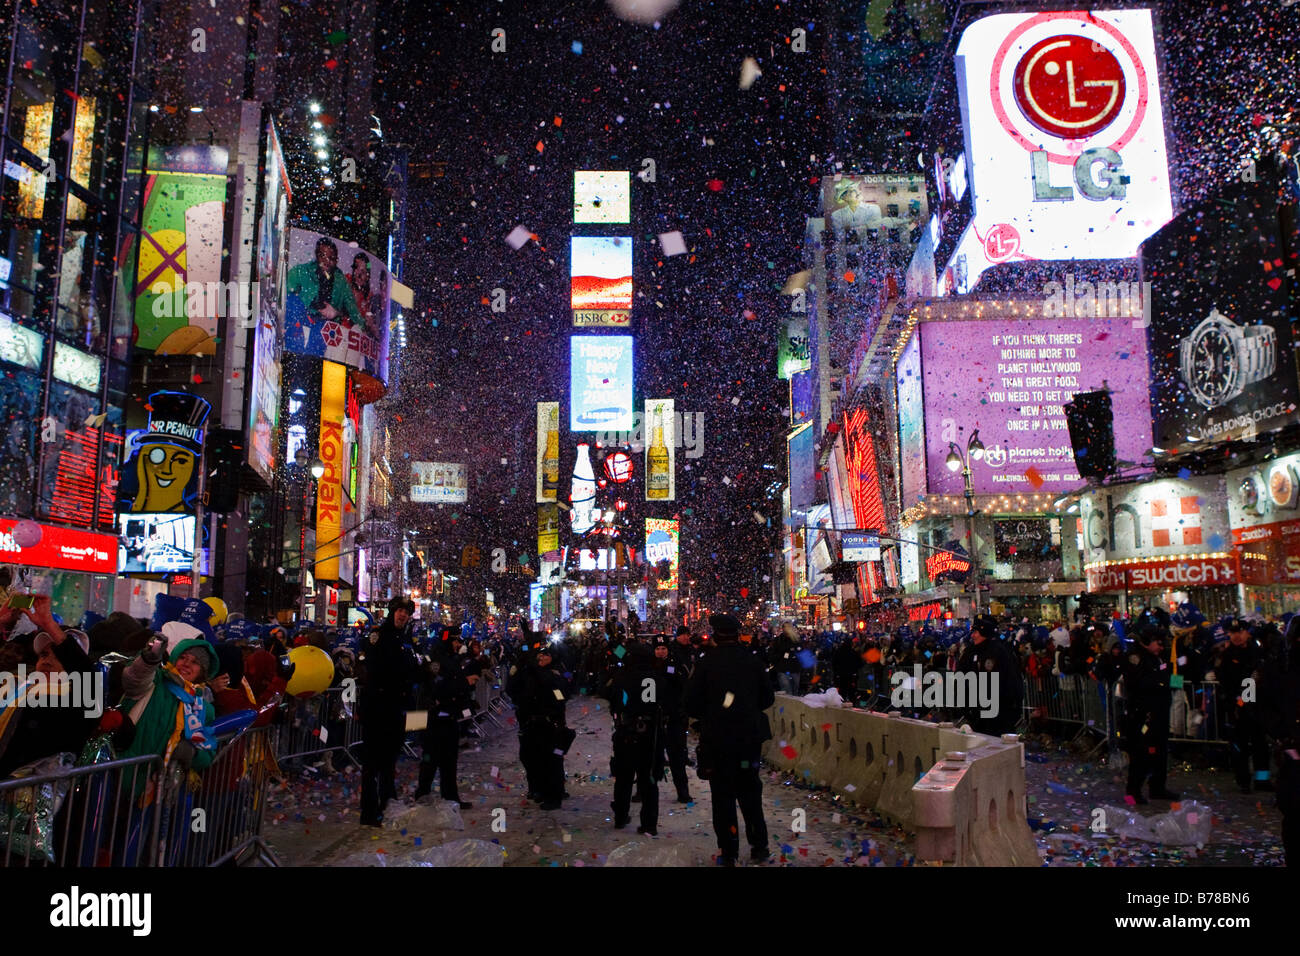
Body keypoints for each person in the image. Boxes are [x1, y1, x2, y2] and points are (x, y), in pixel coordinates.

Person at [686, 613, 774, 866]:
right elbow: (768, 699)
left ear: (714, 634)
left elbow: (690, 703)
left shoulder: (706, 663)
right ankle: (759, 846)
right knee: (750, 791)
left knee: (722, 795)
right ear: (738, 634)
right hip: (748, 739)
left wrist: (712, 711)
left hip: (718, 739)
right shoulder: (752, 661)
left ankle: (729, 849)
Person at [358, 597, 418, 826]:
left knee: (390, 759)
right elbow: (377, 671)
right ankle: (370, 811)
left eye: (406, 612)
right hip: (378, 709)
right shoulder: (378, 636)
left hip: (397, 709)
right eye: (400, 610)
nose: (403, 615)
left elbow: (410, 668)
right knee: (372, 763)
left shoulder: (404, 638)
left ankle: (388, 800)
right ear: (392, 611)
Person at [507, 622, 570, 810]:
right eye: (539, 654)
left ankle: (554, 795)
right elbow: (512, 689)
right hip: (530, 722)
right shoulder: (529, 672)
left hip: (551, 724)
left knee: (552, 761)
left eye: (546, 655)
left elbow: (559, 694)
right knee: (529, 757)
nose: (542, 657)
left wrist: (535, 667)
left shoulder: (556, 671)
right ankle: (537, 789)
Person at [609, 638, 667, 834]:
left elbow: (609, 694)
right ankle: (649, 823)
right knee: (649, 779)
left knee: (624, 777)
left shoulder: (623, 675)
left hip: (627, 731)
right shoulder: (656, 676)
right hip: (651, 734)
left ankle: (620, 816)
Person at [414, 629, 475, 807]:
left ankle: (450, 796)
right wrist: (465, 683)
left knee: (449, 759)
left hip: (449, 716)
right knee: (430, 758)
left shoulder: (450, 658)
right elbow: (438, 686)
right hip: (434, 718)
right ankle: (422, 794)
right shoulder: (436, 659)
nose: (458, 645)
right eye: (456, 641)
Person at [1212, 619, 1272, 794]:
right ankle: (1243, 780)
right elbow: (1226, 682)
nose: (1236, 636)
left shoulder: (1257, 652)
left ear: (1248, 633)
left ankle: (1262, 780)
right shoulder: (1227, 655)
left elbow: (1260, 678)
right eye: (1232, 633)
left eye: (1240, 632)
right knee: (1241, 746)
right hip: (1238, 707)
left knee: (1260, 745)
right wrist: (1238, 701)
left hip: (1257, 706)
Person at [1121, 627, 1179, 804]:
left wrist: (1175, 682)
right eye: (1158, 643)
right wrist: (1163, 683)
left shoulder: (1158, 658)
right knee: (1141, 753)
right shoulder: (1136, 658)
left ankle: (1157, 787)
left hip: (1159, 712)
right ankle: (1133, 790)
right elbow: (1139, 683)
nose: (1161, 647)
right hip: (1142, 713)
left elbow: (1170, 677)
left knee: (1159, 752)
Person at [957, 617, 1023, 736]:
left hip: (999, 715)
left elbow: (1012, 681)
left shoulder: (1000, 651)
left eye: (976, 632)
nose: (973, 636)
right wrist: (966, 709)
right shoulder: (969, 652)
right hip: (976, 715)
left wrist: (1013, 709)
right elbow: (961, 678)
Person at [665, 625, 697, 801]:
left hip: (679, 708)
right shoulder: (670, 657)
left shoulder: (690, 652)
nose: (686, 638)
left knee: (678, 748)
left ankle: (683, 792)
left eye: (687, 635)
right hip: (666, 710)